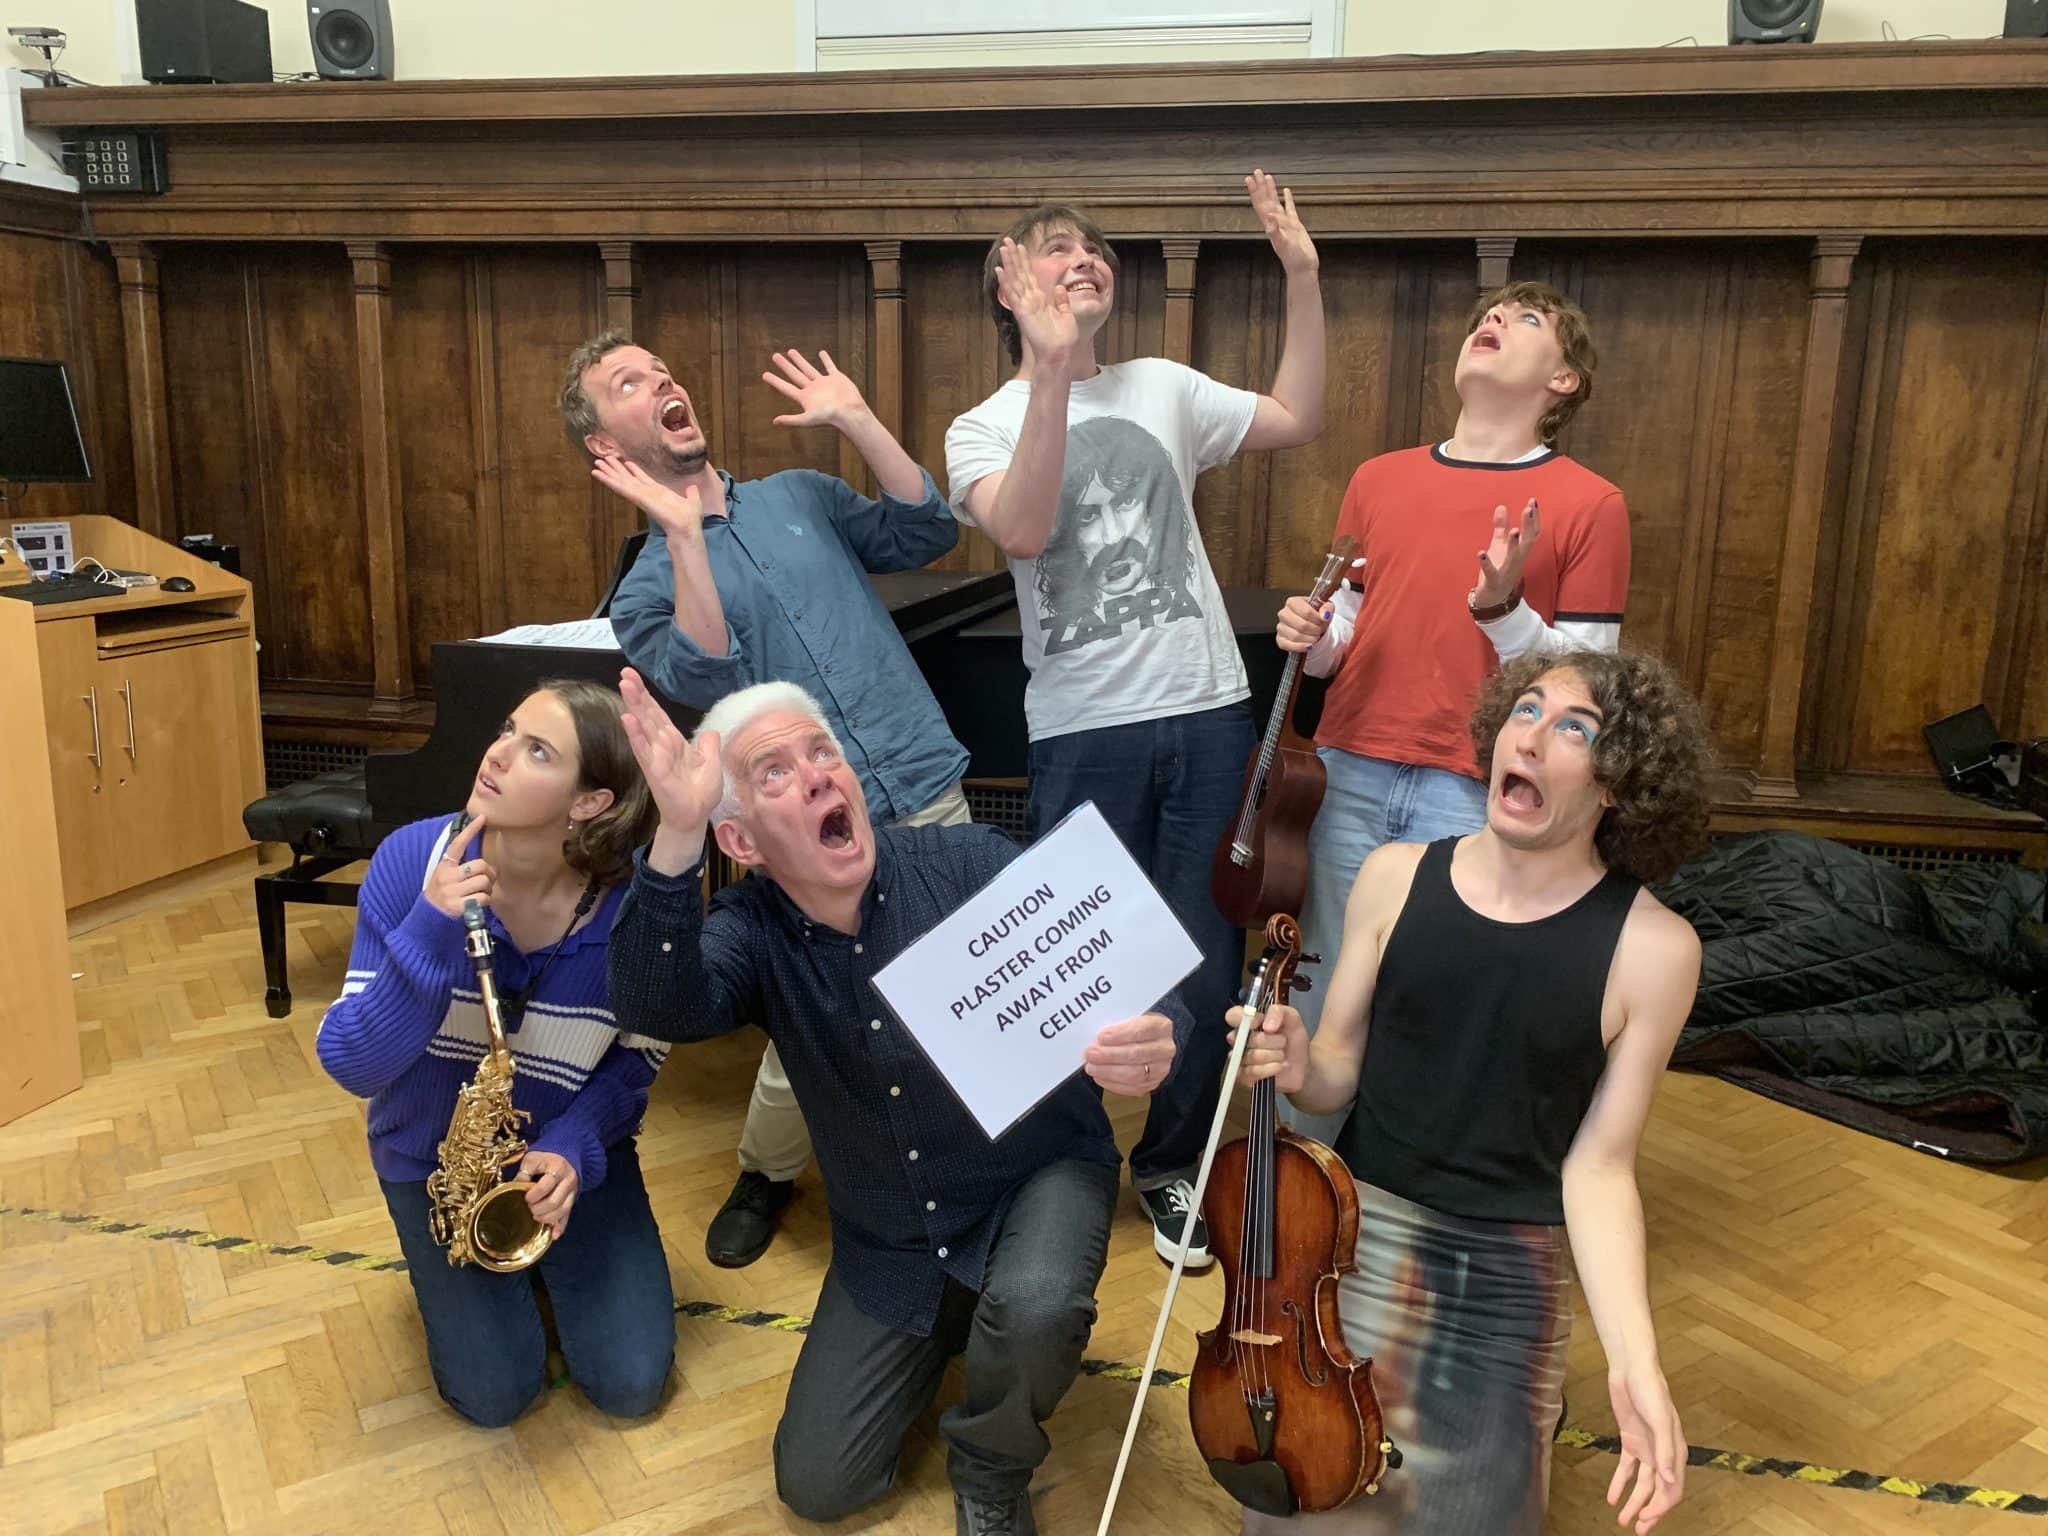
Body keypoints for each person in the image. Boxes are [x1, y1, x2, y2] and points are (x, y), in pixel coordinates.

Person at [605, 669, 1181, 1536]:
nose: (817, 775)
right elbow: (655, 1006)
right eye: (774, 773)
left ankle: (991, 1464)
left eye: (823, 751)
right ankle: (963, 1323)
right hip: (893, 1234)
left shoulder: (969, 862)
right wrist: (677, 837)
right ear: (745, 840)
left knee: (1035, 1305)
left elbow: (1128, 976)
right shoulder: (748, 928)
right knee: (819, 1486)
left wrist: (1153, 1035)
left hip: (1039, 1175)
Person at [1228, 649, 1709, 1536]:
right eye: (1526, 709)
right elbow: (1336, 1070)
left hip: (1506, 1278)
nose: (1533, 734)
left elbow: (1600, 1172)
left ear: (1616, 785)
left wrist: (1636, 1363)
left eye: (1575, 727)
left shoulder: (1656, 951)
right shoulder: (1393, 877)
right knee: (1309, 1501)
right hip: (1351, 1241)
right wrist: (1298, 1063)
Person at [944, 172, 1325, 1265]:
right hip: (1080, 725)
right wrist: (1054, 370)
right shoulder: (980, 425)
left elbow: (1298, 416)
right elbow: (1020, 528)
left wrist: (1299, 275)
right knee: (1082, 954)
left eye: (1091, 249)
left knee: (1201, 953)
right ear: (1007, 288)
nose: (1082, 260)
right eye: (1052, 249)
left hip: (1209, 712)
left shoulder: (1162, 385)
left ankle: (1168, 1165)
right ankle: (1062, 1167)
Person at [561, 331, 972, 1269]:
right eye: (631, 382)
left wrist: (858, 419)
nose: (664, 379)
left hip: (919, 773)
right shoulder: (642, 590)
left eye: (661, 368)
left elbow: (926, 532)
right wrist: (678, 530)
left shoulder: (799, 496)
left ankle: (978, 1152)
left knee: (967, 980)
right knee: (815, 1020)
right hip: (806, 827)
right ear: (607, 448)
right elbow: (706, 670)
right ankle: (766, 1171)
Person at [1275, 280, 1629, 1139]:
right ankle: (1306, 1186)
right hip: (1353, 765)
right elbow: (1348, 629)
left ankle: (1408, 1181)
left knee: (1444, 990)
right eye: (1489, 316)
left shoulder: (1591, 503)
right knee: (1326, 976)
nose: (1494, 322)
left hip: (1481, 788)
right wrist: (1311, 636)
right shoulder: (1378, 478)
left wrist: (1504, 610)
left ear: (1564, 382)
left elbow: (1587, 688)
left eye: (1527, 319)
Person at [315, 680, 671, 1428]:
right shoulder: (414, 861)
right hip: (437, 1164)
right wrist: (428, 934)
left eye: (536, 750)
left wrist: (576, 1146)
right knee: (495, 1399)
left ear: (588, 803)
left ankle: (548, 1259)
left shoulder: (633, 908)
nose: (498, 754)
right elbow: (351, 1062)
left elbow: (640, 1058)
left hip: (566, 1155)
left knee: (633, 1385)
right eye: (507, 730)